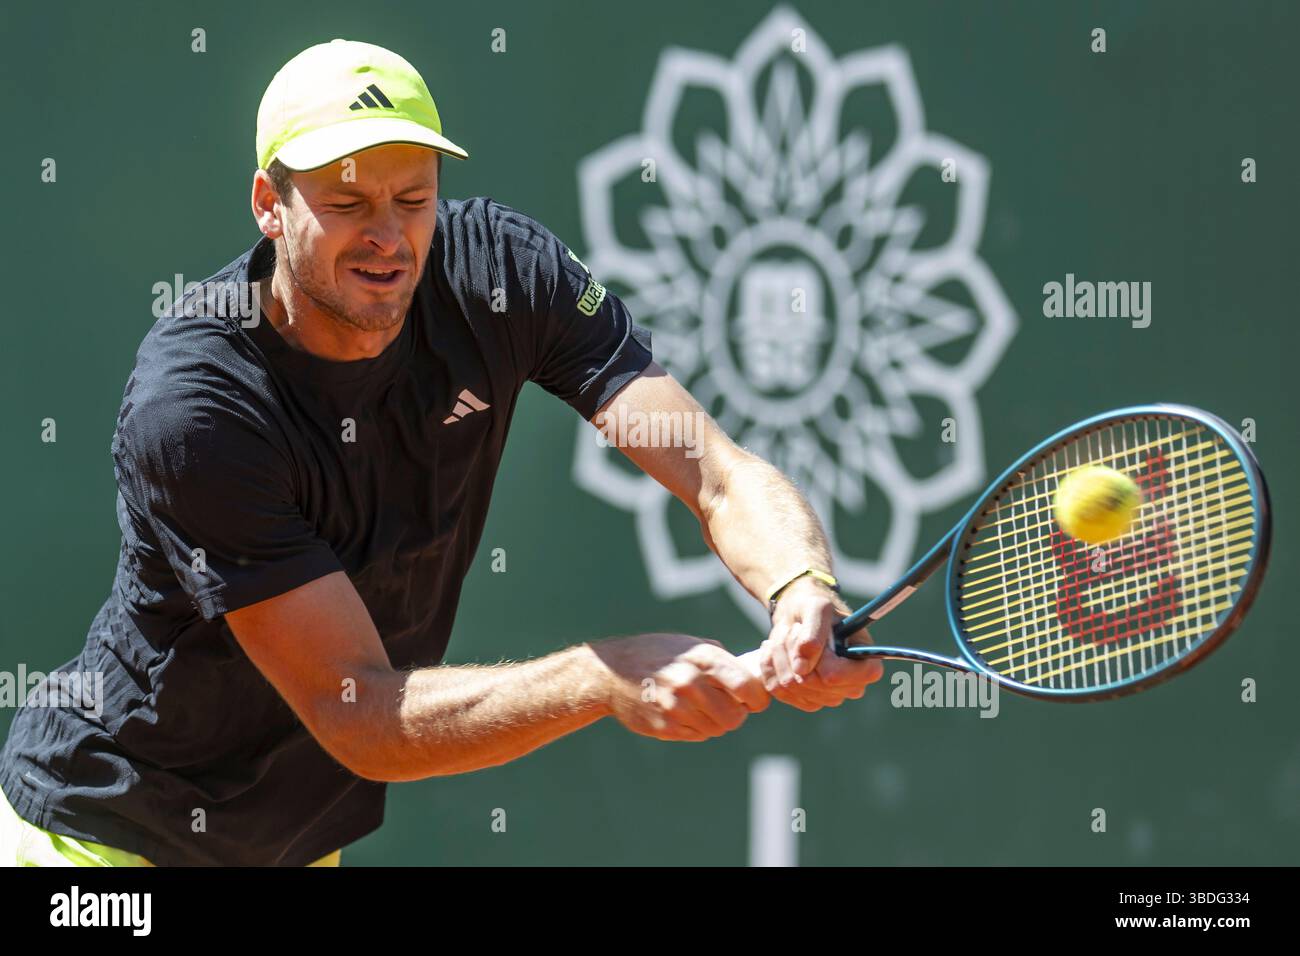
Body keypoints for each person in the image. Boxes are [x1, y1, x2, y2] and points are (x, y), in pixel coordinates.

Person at [0, 39, 882, 867]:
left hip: (294, 845)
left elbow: (714, 471)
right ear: (270, 205)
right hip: (102, 836)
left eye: (412, 199)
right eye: (347, 204)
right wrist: (600, 679)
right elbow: (360, 711)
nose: (388, 236)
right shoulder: (195, 412)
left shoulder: (500, 273)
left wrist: (800, 586)